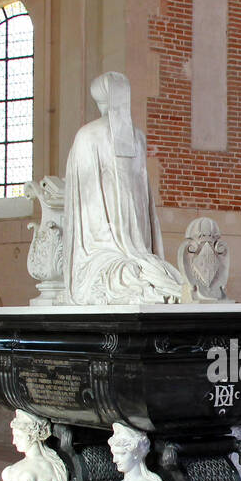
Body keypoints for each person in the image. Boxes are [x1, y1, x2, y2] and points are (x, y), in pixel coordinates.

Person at [61, 71, 186, 305]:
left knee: (124, 274)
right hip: (137, 248)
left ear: (100, 101)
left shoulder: (87, 135)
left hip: (98, 246)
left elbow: (83, 203)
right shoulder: (137, 136)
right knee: (147, 272)